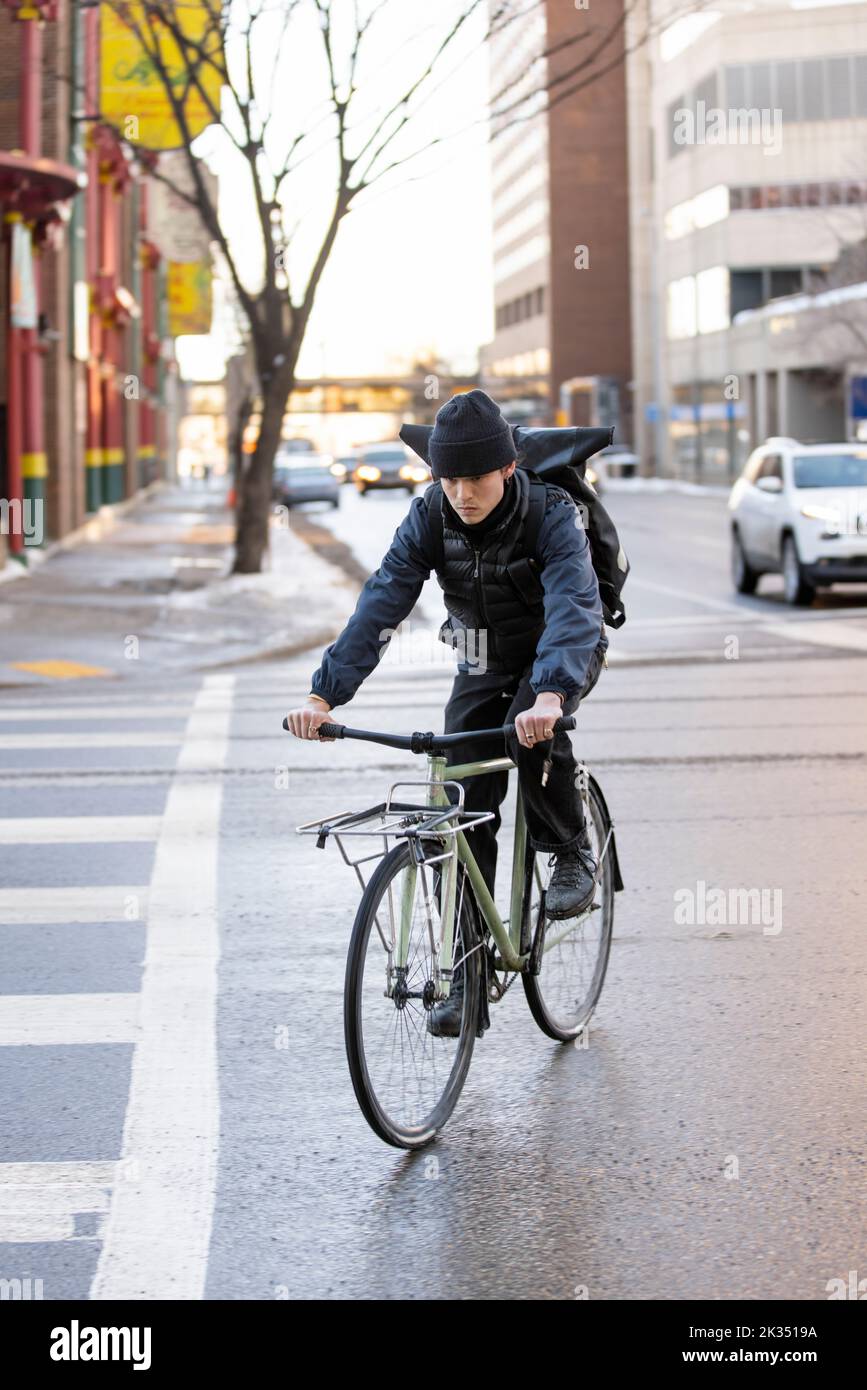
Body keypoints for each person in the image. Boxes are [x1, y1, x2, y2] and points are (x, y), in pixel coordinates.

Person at [285, 389, 608, 1036]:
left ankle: (571, 851)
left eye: (476, 478)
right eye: (450, 478)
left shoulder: (551, 514)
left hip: (557, 651)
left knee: (529, 733)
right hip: (481, 655)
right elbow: (384, 600)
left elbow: (574, 605)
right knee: (461, 801)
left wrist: (550, 694)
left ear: (507, 470)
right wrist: (324, 695)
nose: (462, 492)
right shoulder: (429, 516)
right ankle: (465, 976)